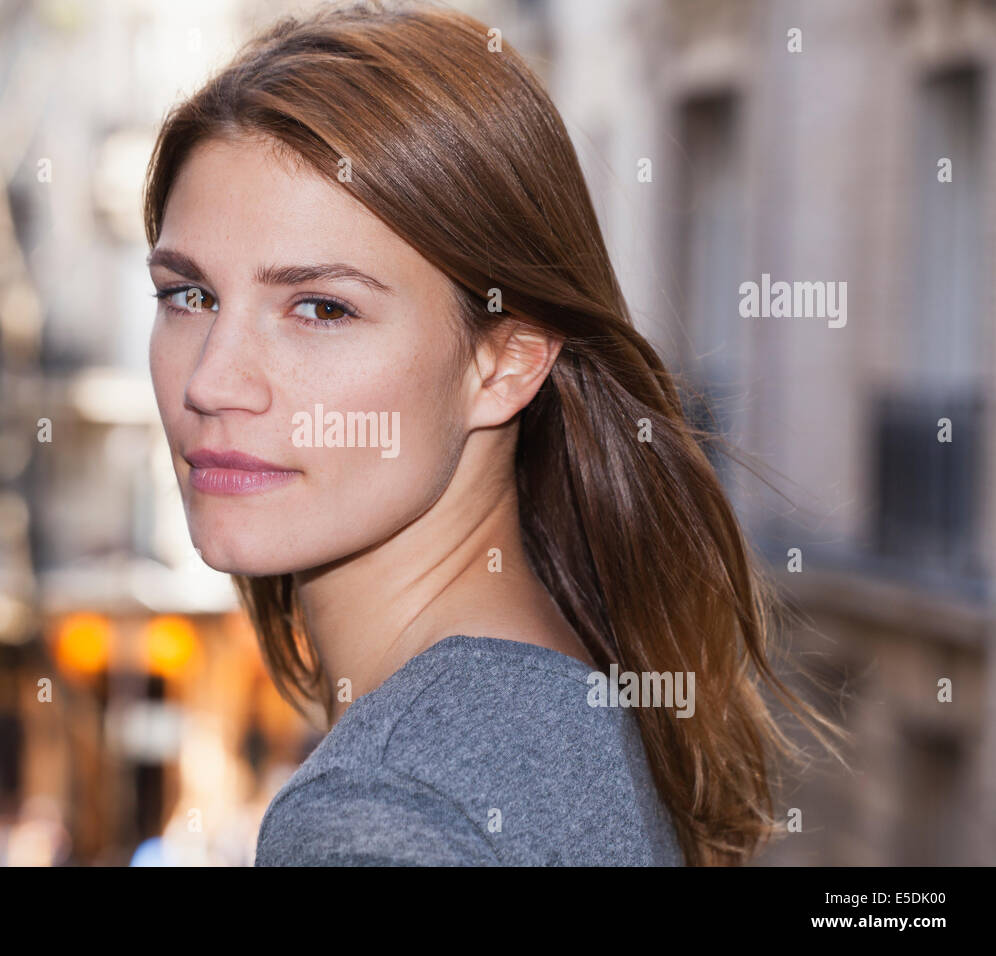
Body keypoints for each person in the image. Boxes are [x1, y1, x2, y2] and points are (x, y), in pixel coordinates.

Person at [142, 0, 843, 865]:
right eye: (189, 295)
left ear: (506, 362)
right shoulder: (571, 703)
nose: (211, 381)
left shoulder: (383, 811)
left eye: (322, 307)